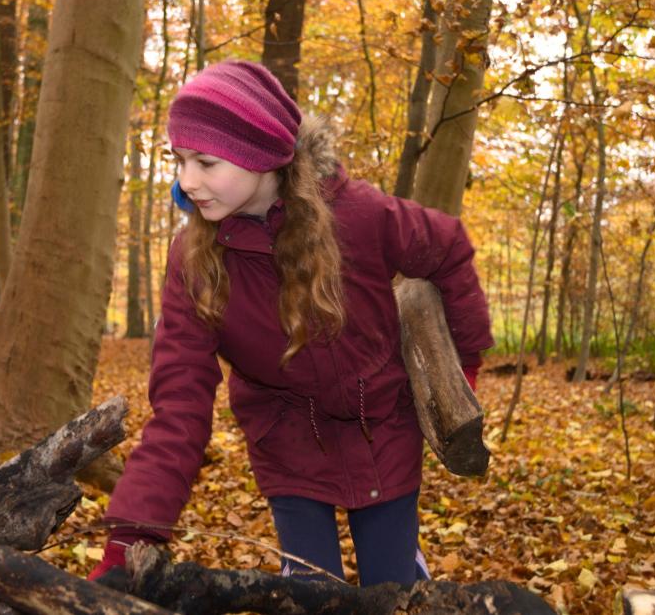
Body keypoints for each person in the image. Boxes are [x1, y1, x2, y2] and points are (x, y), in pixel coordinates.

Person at [90, 60, 493, 586]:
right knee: (308, 590)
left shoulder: (360, 215)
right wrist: (133, 533)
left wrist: (461, 375)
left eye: (206, 162)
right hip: (287, 442)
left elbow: (449, 248)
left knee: (393, 589)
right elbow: (179, 405)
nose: (187, 181)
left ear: (261, 156)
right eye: (179, 160)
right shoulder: (194, 261)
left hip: (384, 429)